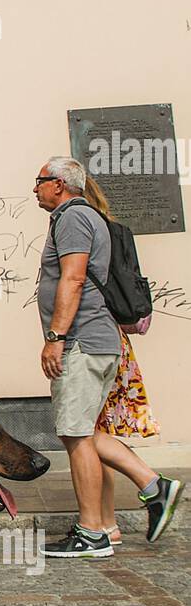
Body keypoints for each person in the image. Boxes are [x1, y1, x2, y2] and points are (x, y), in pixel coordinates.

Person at [34, 157, 182, 558]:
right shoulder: (83, 216)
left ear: (60, 185)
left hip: (82, 341)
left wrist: (56, 337)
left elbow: (74, 277)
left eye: (40, 181)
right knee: (83, 432)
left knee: (76, 434)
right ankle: (108, 525)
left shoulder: (72, 218)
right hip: (95, 341)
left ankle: (99, 528)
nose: (35, 188)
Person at [84, 177, 182, 546]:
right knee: (96, 433)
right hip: (117, 340)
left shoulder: (88, 234)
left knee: (84, 433)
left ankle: (153, 484)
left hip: (94, 338)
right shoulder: (117, 231)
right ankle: (106, 523)